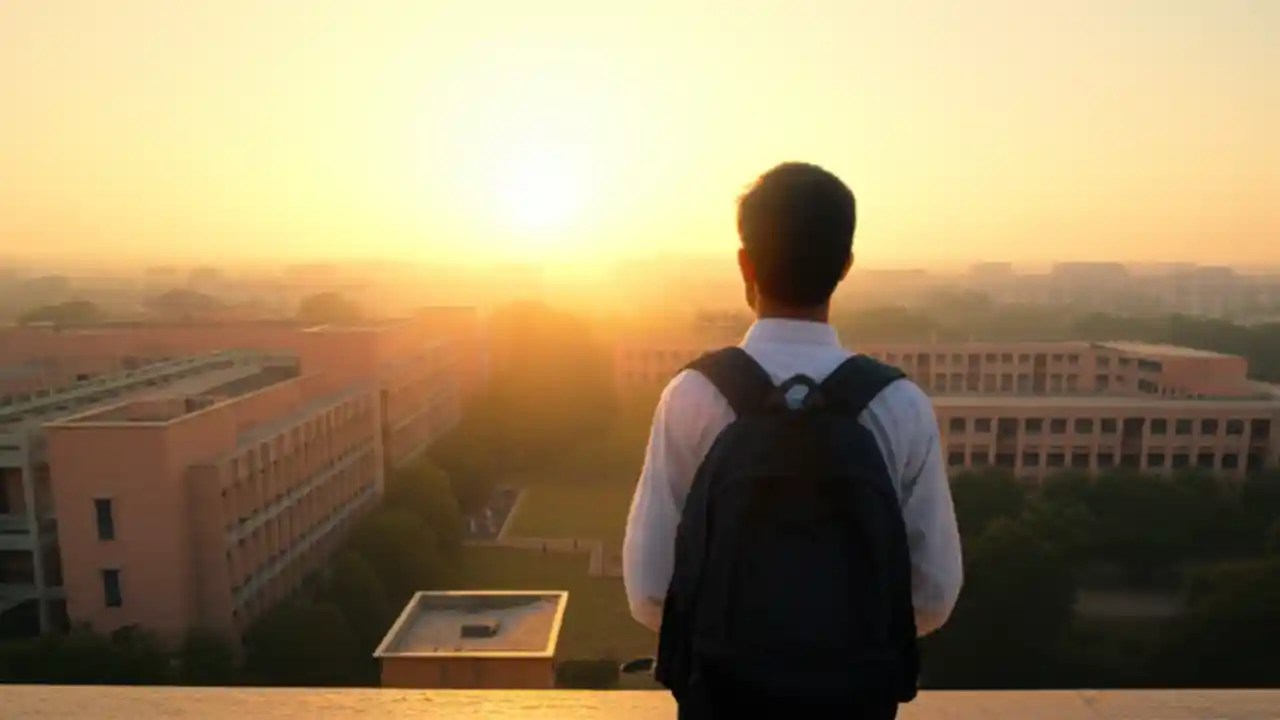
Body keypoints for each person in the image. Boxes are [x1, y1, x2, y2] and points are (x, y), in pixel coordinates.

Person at [622, 162, 963, 718]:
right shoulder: (899, 405)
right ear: (845, 265)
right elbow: (934, 594)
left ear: (745, 263)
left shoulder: (692, 397)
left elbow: (649, 589)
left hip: (723, 699)